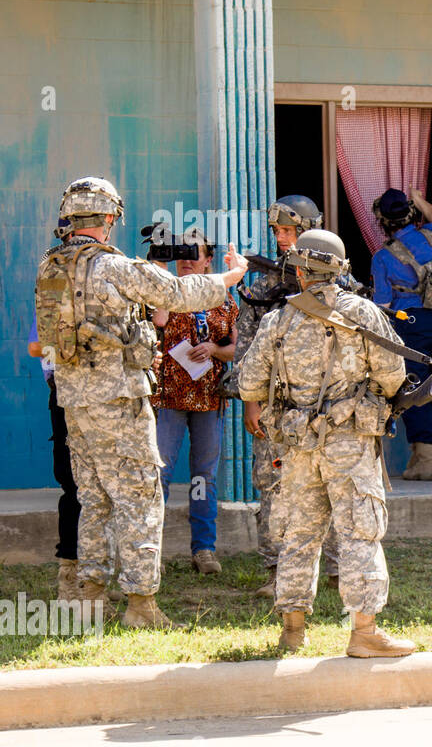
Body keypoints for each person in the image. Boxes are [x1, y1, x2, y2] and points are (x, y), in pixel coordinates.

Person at [34, 176, 248, 628]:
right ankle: (140, 605)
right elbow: (180, 295)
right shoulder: (114, 267)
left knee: (94, 500)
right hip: (121, 399)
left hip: (75, 401)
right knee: (141, 497)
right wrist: (230, 276)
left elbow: (52, 341)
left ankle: (89, 599)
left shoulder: (49, 268)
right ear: (109, 218)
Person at [238, 229, 414, 656]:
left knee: (299, 535)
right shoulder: (364, 313)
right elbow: (393, 376)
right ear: (338, 270)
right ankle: (365, 633)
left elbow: (247, 384)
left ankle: (293, 631)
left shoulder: (277, 320)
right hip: (349, 444)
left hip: (298, 446)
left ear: (300, 272)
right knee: (358, 533)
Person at [227, 195, 341, 597]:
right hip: (276, 409)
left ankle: (338, 571)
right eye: (277, 230)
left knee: (333, 485)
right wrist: (251, 403)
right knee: (272, 485)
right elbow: (245, 350)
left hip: (330, 407)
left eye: (289, 230)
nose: (281, 238)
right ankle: (276, 570)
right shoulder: (264, 286)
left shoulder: (339, 285)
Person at [150, 230, 239, 575]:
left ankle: (203, 549)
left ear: (208, 261)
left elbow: (237, 347)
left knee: (204, 477)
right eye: (181, 253)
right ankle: (150, 550)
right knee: (158, 475)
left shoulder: (226, 301)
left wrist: (215, 350)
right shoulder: (166, 292)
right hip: (168, 399)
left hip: (208, 402)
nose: (187, 259)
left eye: (194, 253)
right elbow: (158, 320)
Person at [370, 188, 432, 481]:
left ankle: (426, 459)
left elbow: (382, 305)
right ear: (409, 214)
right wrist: (420, 199)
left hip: (411, 323)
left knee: (412, 389)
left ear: (382, 221)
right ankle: (422, 455)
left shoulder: (382, 257)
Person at [26, 316, 82, 601]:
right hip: (66, 393)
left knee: (105, 490)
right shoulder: (54, 293)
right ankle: (70, 581)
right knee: (73, 488)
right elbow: (36, 347)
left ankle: (98, 576)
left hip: (105, 398)